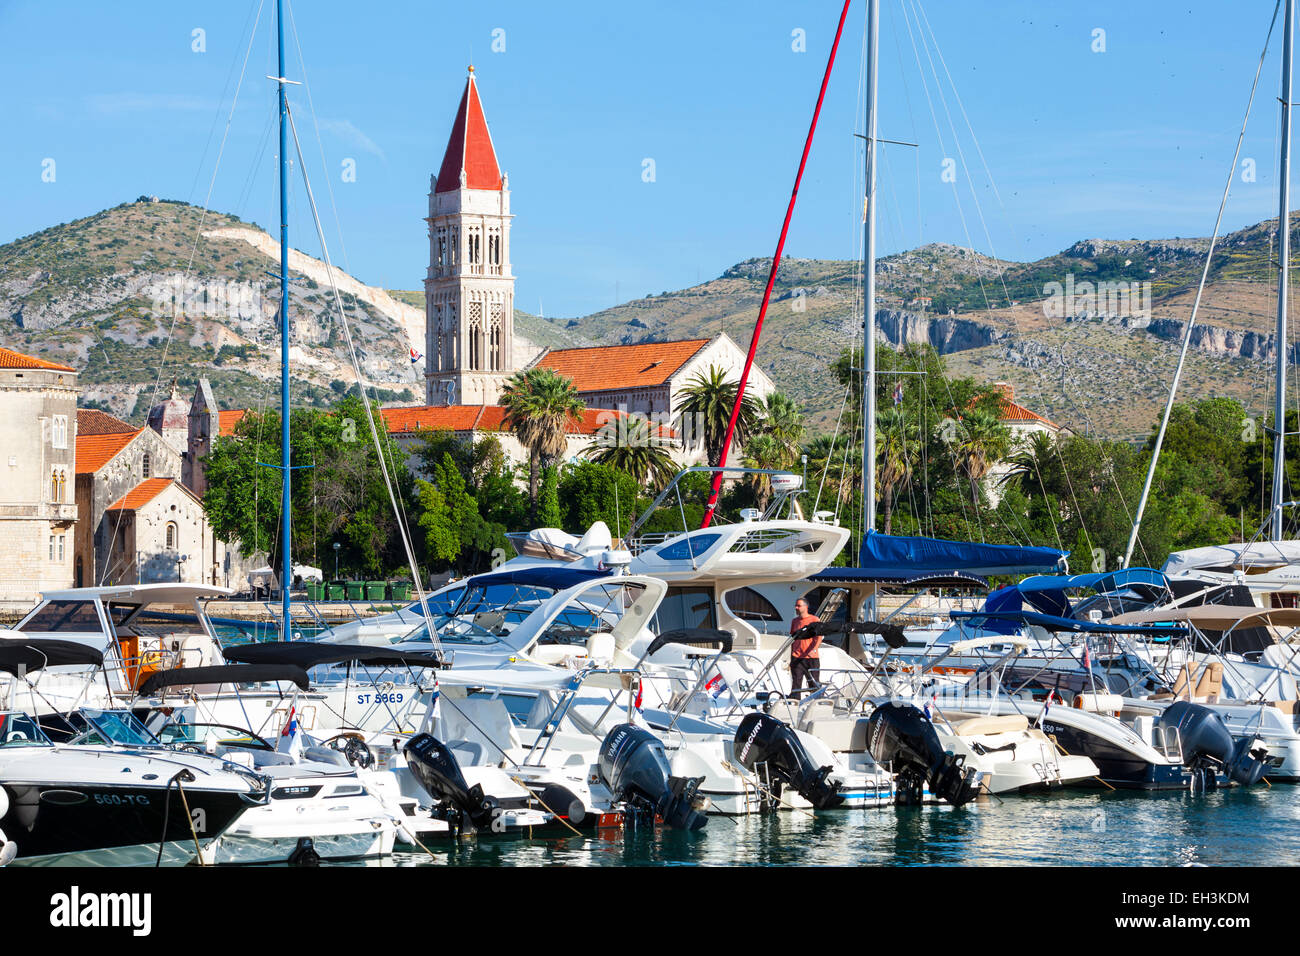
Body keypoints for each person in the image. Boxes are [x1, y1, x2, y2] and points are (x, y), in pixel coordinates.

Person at [789, 598, 821, 698]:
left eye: (798, 606)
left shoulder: (814, 619)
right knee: (796, 684)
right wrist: (791, 655)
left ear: (806, 607)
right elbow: (793, 638)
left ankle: (816, 703)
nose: (796, 607)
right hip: (797, 657)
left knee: (814, 683)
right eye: (796, 605)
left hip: (811, 658)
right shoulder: (795, 621)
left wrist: (814, 649)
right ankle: (794, 703)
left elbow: (819, 637)